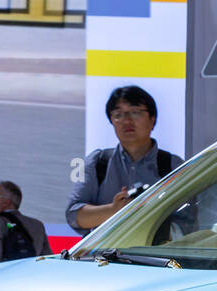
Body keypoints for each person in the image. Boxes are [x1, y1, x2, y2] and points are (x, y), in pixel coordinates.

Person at [66, 85, 183, 235]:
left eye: (135, 112)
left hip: (156, 256)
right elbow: (73, 216)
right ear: (112, 122)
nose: (126, 121)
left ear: (152, 119)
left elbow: (188, 221)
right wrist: (113, 210)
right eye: (118, 114)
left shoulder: (172, 165)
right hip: (103, 256)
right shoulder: (96, 162)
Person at [0, 181, 51, 266]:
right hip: (30, 276)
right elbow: (47, 258)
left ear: (6, 202)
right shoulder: (37, 225)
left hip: (6, 277)